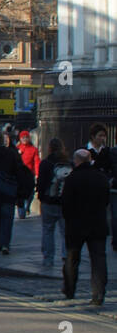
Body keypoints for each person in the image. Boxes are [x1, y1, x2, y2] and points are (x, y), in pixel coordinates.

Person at [61, 148, 109, 306]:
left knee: (72, 259)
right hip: (97, 224)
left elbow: (65, 204)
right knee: (98, 259)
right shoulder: (101, 178)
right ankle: (99, 293)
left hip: (76, 225)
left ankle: (69, 290)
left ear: (77, 161)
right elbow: (106, 201)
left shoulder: (72, 178)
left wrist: (69, 220)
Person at [37, 138, 70, 271]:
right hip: (64, 202)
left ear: (49, 148)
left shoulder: (45, 163)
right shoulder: (68, 163)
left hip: (48, 201)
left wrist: (41, 197)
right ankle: (66, 256)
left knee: (48, 230)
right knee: (65, 231)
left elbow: (41, 183)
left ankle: (48, 258)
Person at [85, 124, 116, 253]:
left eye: (104, 136)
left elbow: (111, 168)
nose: (103, 139)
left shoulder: (107, 152)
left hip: (104, 188)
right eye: (100, 136)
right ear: (93, 136)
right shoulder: (85, 151)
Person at [15, 130, 40, 219]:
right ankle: (22, 210)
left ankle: (27, 206)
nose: (25, 139)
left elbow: (36, 162)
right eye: (23, 137)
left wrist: (37, 173)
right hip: (19, 174)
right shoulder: (17, 148)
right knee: (20, 193)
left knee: (31, 192)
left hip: (29, 174)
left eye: (26, 137)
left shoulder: (33, 149)